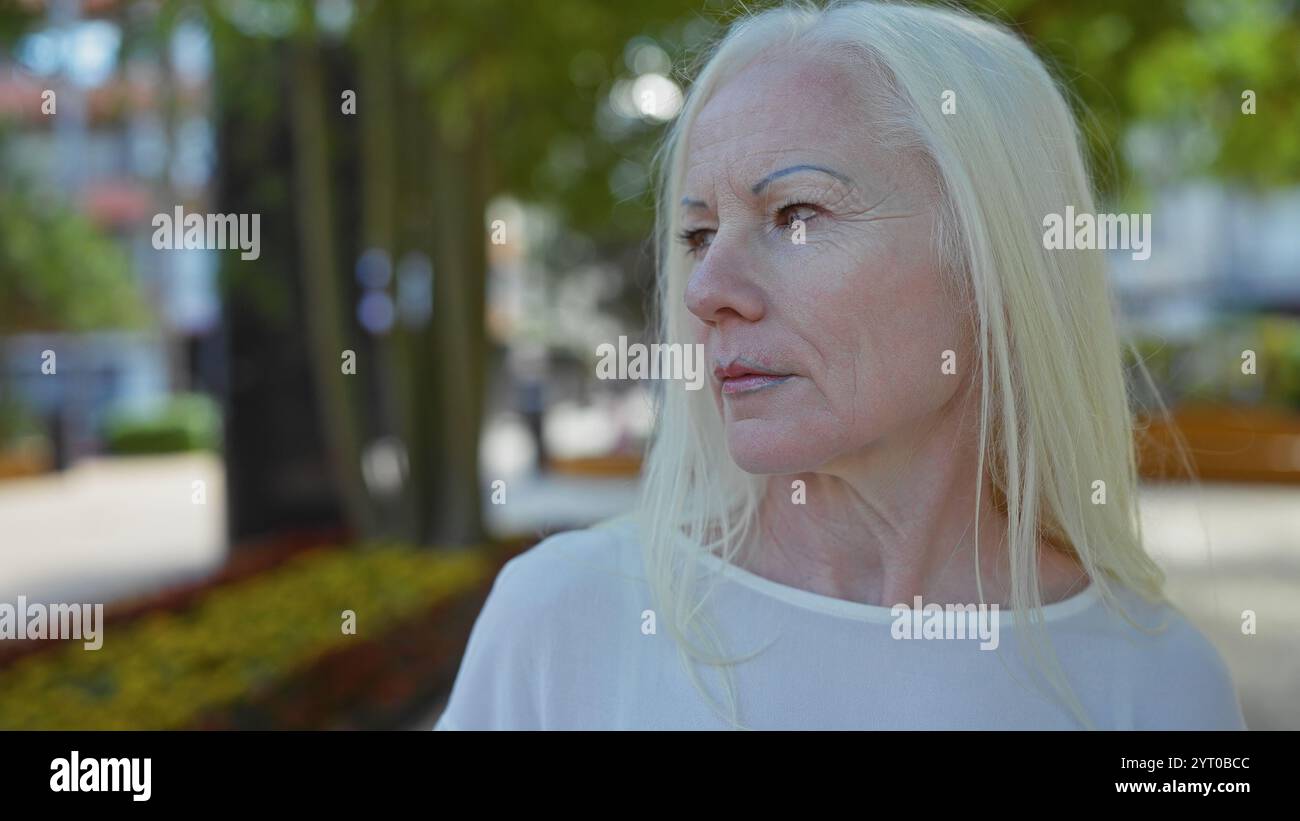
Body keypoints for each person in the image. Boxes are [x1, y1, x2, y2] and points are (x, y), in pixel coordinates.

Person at [435, 0, 1246, 730]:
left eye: (795, 214)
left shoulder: (1160, 687)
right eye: (697, 234)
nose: (708, 289)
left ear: (994, 257)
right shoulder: (564, 620)